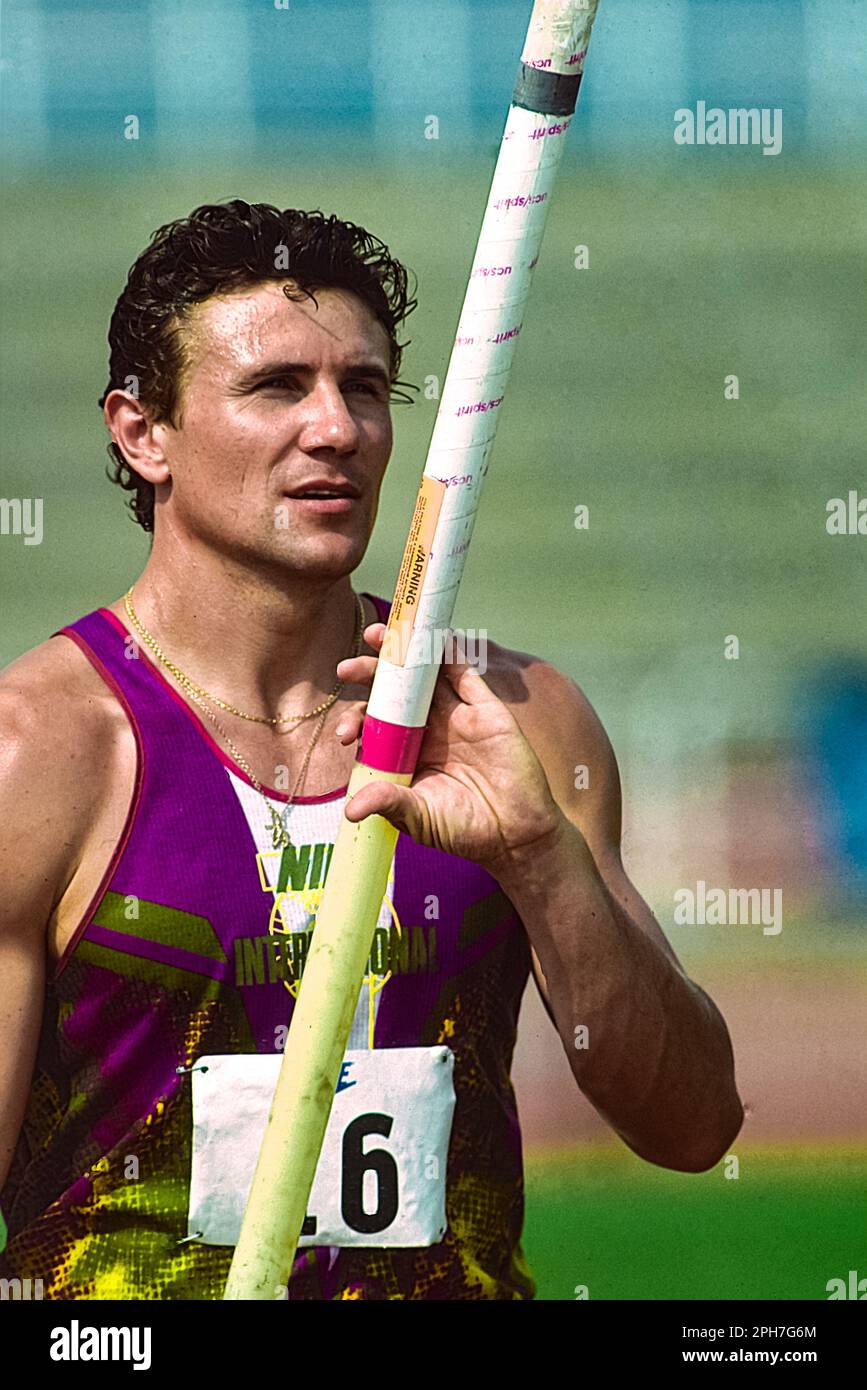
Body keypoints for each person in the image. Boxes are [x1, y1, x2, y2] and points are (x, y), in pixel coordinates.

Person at [0, 200, 742, 1301]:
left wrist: (540, 855)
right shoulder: (39, 753)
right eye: (276, 387)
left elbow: (692, 1124)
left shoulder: (517, 718)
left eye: (363, 388)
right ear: (140, 431)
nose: (338, 428)